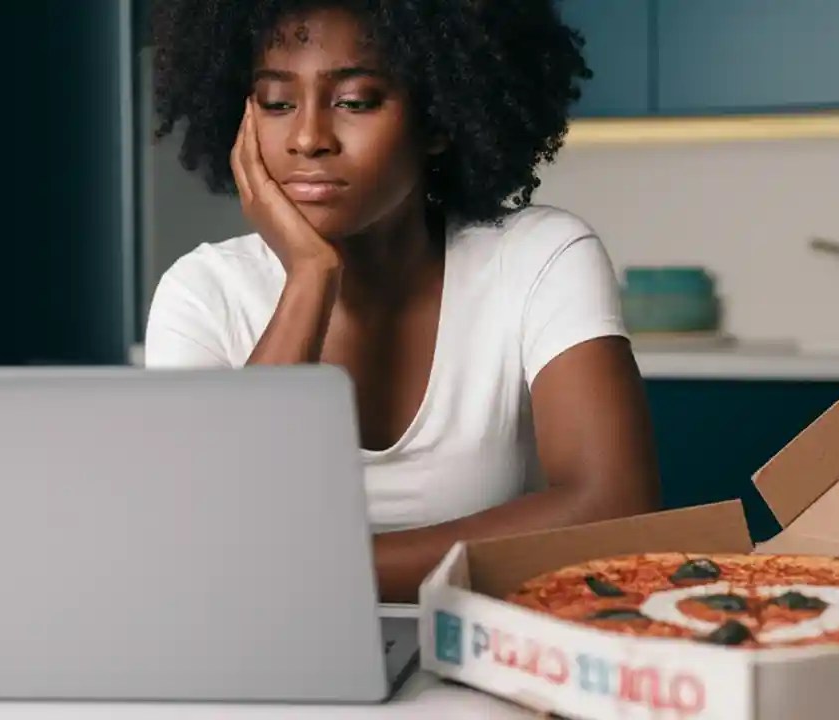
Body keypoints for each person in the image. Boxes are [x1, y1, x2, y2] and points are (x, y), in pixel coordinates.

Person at [146, 0, 661, 603]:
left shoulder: (537, 257)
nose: (309, 138)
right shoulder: (203, 293)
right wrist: (310, 277)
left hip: (488, 663)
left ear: (438, 119)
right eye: (277, 102)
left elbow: (616, 511)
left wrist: (328, 574)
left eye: (356, 101)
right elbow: (201, 545)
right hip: (265, 665)